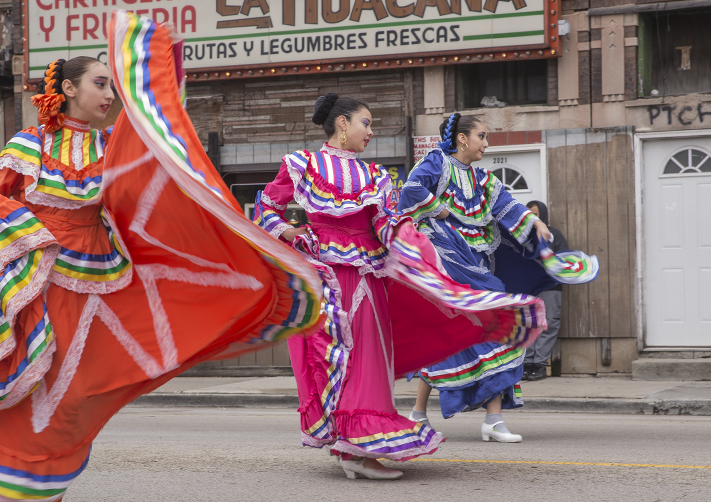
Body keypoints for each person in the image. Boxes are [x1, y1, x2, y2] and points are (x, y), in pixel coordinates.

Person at [0, 11, 323, 502]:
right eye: (100, 83)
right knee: (32, 389)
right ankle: (23, 488)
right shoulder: (28, 146)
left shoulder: (111, 151)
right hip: (37, 286)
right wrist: (27, 234)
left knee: (80, 394)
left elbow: (156, 152)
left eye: (113, 84)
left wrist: (162, 71)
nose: (109, 94)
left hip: (101, 287)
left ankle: (50, 497)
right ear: (67, 88)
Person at [254, 95, 549, 480]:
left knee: (370, 358)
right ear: (342, 124)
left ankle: (357, 447)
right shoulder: (303, 165)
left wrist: (418, 251)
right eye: (366, 122)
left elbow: (386, 222)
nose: (371, 131)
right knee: (337, 361)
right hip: (327, 276)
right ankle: (352, 446)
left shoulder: (376, 176)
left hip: (368, 276)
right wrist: (292, 231)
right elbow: (266, 208)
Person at [399, 114, 597, 442]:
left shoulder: (483, 180)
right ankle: (422, 414)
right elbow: (411, 189)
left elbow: (508, 206)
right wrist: (439, 210)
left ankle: (489, 418)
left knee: (494, 330)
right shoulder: (438, 163)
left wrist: (534, 222)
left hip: (477, 264)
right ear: (463, 139)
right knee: (459, 334)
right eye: (482, 136)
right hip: (446, 262)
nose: (486, 144)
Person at [522, 200, 568, 381]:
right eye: (529, 214)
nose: (533, 217)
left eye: (536, 213)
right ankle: (526, 364)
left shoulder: (554, 235)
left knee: (548, 324)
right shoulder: (522, 237)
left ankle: (539, 365)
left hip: (551, 287)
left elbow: (563, 259)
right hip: (528, 287)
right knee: (529, 325)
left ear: (543, 215)